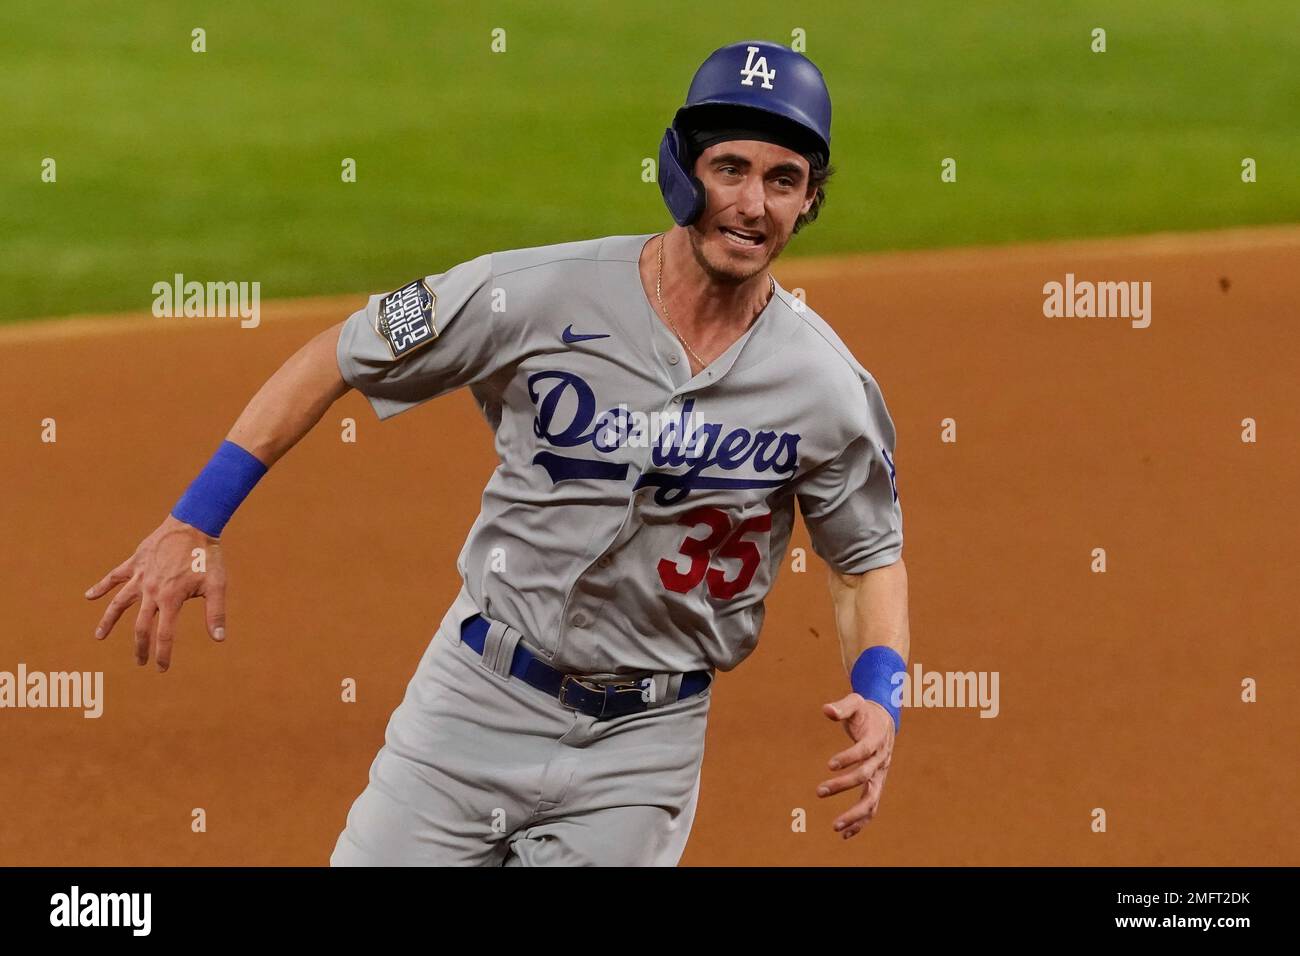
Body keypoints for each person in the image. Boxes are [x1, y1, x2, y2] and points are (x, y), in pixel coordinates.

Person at [85, 39, 910, 866]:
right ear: (680, 170)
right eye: (730, 168)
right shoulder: (532, 292)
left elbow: (867, 558)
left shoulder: (826, 387)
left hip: (644, 748)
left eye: (783, 180)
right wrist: (195, 519)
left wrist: (881, 699)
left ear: (809, 202)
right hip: (474, 705)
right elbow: (340, 352)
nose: (753, 204)